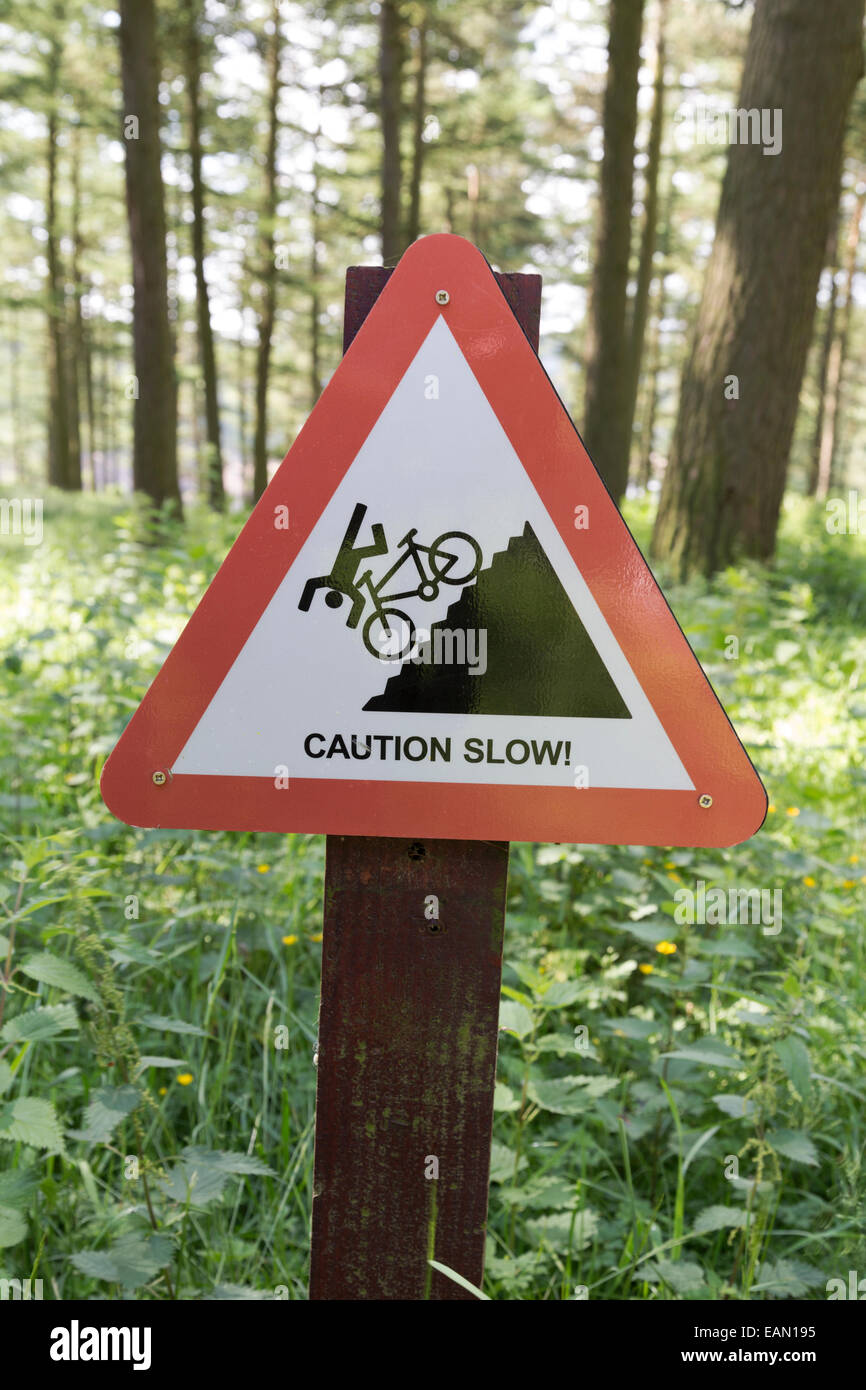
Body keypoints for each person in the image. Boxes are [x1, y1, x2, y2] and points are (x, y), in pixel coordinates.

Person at [299, 502, 388, 628]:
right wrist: (304, 606)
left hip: (350, 553)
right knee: (360, 539)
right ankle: (375, 521)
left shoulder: (335, 584)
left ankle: (375, 522)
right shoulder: (329, 582)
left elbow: (360, 602)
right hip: (348, 552)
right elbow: (311, 584)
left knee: (380, 548)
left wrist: (304, 607)